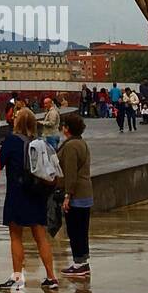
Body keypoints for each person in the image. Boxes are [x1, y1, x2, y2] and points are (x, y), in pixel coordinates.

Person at [0, 106, 59, 293]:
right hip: (37, 193)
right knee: (41, 237)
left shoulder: (11, 141)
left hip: (17, 193)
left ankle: (17, 277)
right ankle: (51, 277)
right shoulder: (40, 142)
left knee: (16, 236)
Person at [57, 111, 93, 277]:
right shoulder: (81, 143)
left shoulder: (71, 146)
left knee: (74, 230)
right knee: (82, 229)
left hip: (76, 194)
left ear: (67, 128)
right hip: (86, 192)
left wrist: (67, 195)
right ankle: (83, 262)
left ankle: (79, 263)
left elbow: (70, 173)